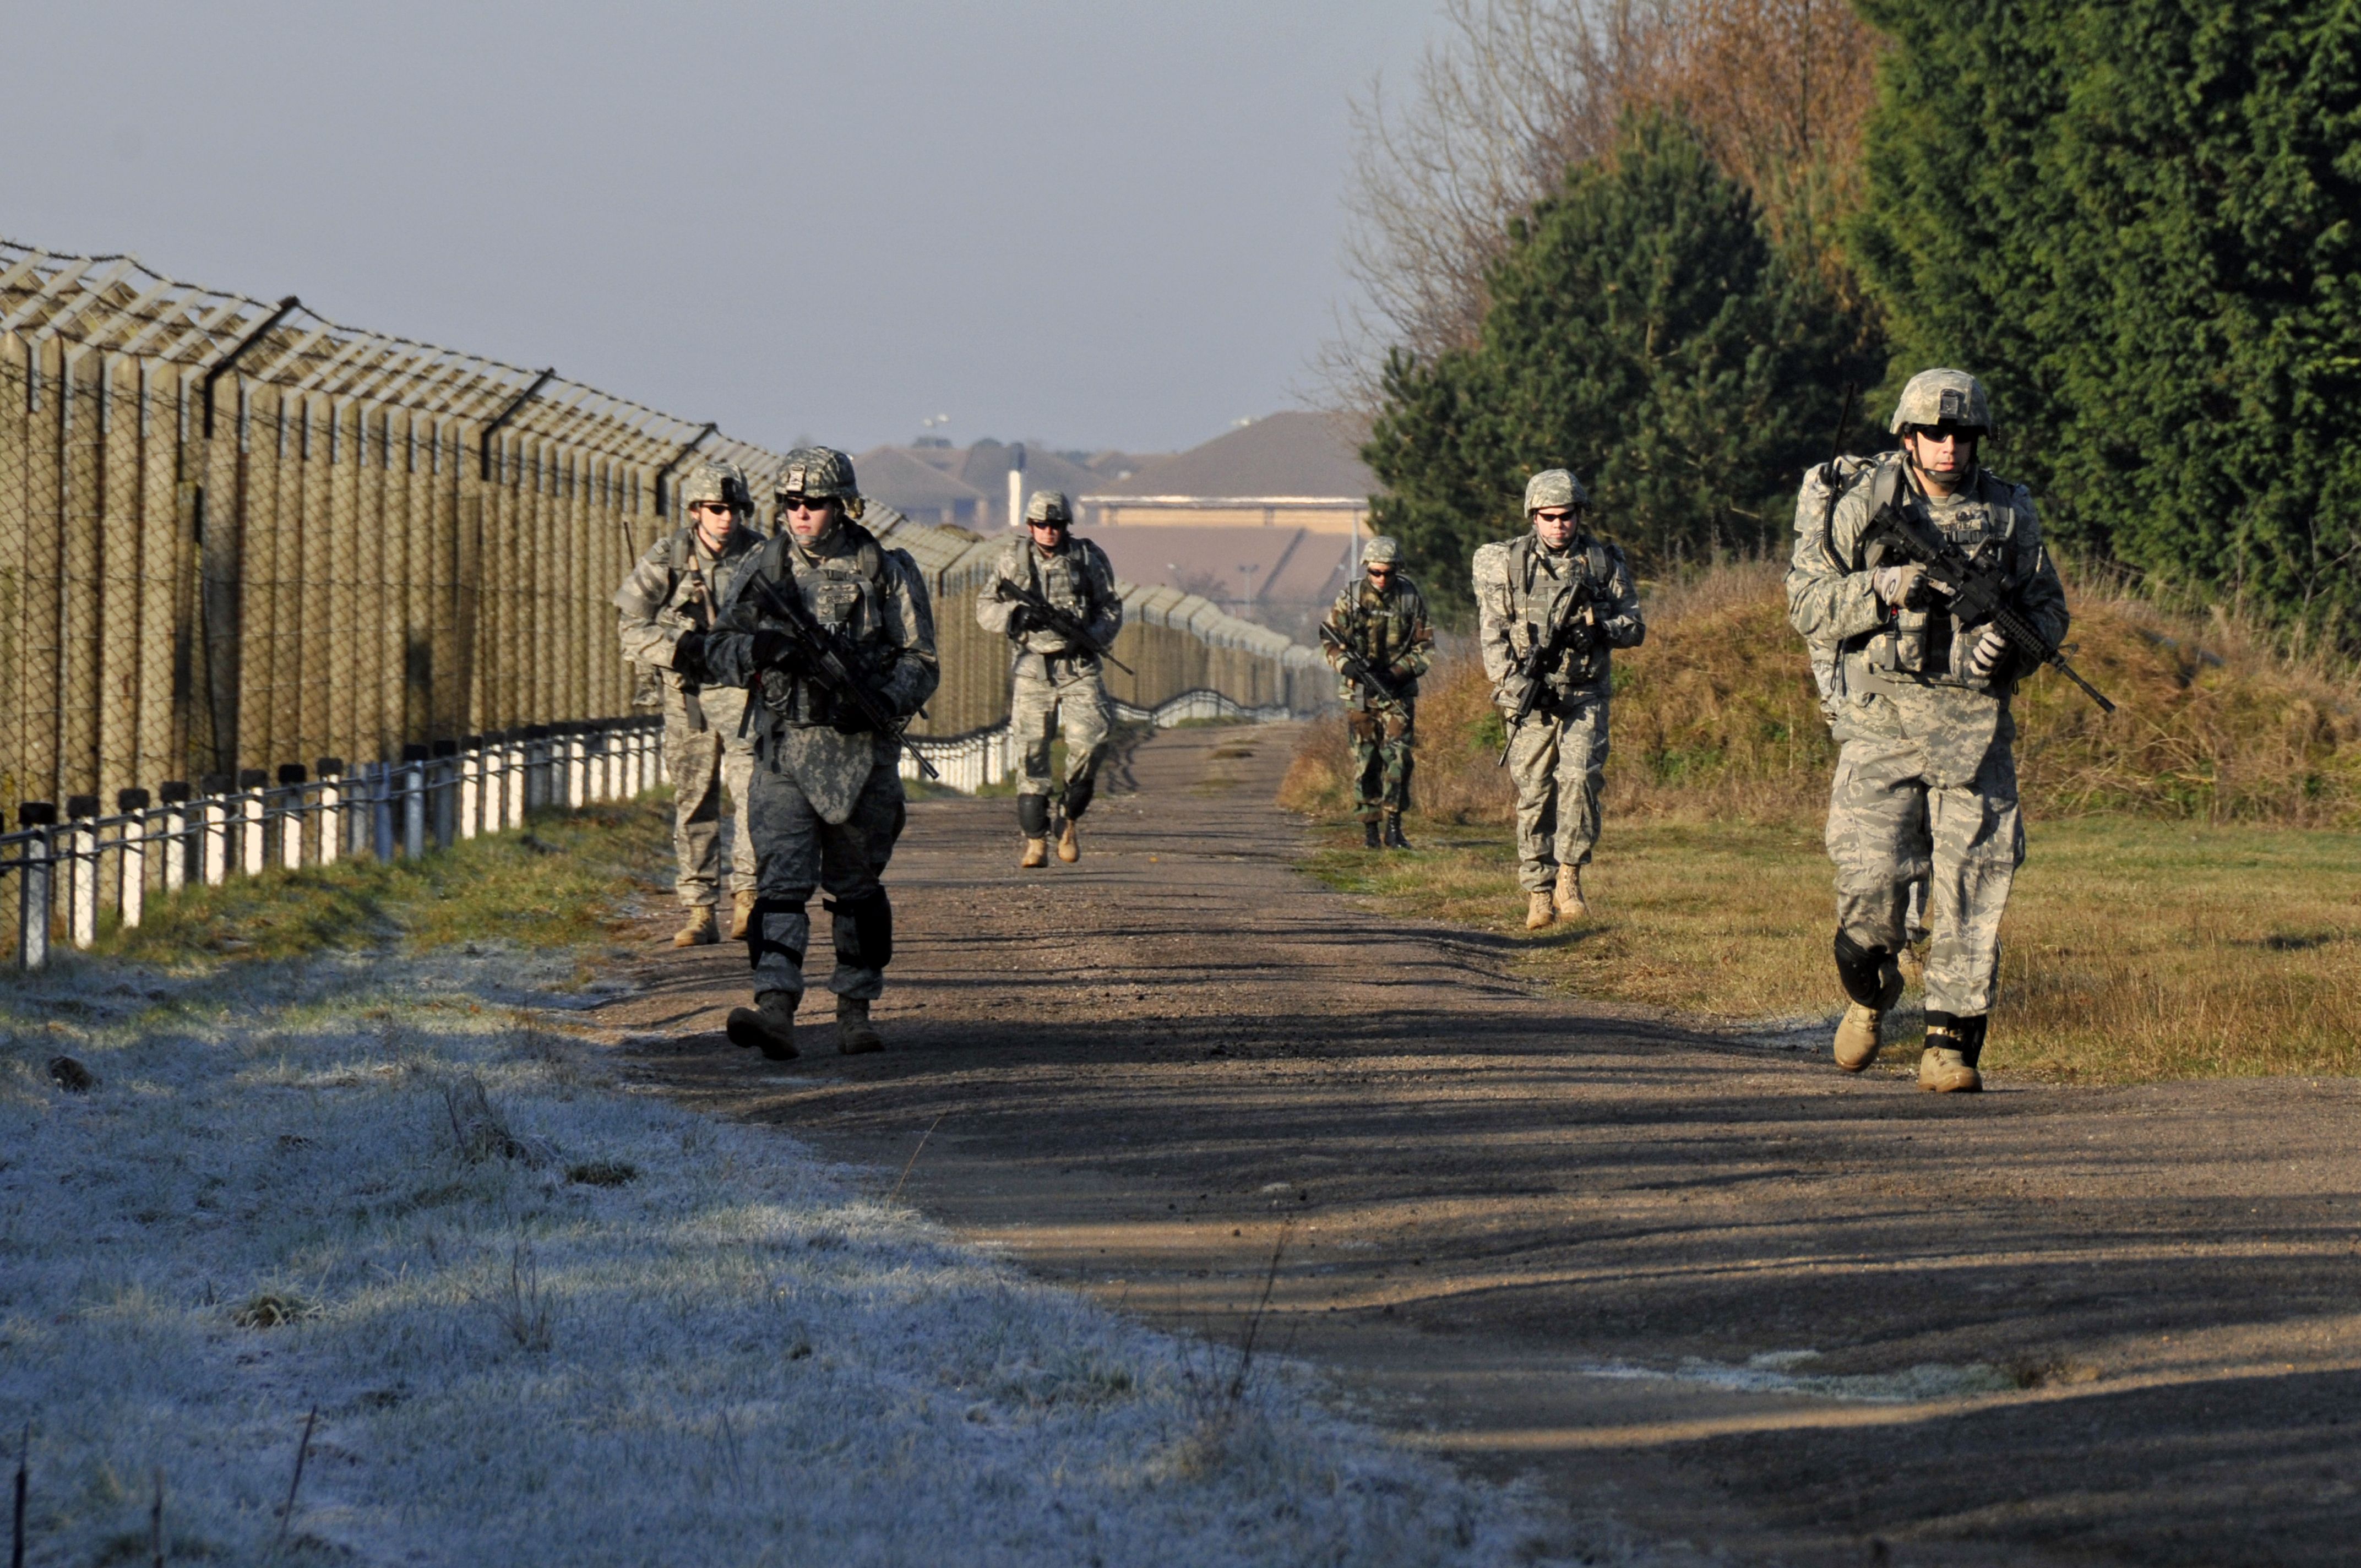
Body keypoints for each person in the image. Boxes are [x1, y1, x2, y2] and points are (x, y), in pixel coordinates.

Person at [1785, 368, 2069, 1093]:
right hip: (1882, 721)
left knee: (1977, 882)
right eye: (1935, 434)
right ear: (1908, 436)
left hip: (1974, 726)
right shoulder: (1860, 506)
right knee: (1874, 884)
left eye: (1963, 435)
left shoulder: (2010, 513)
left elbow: (2049, 610)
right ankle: (1869, 991)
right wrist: (1882, 590)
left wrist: (2018, 641)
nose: (1949, 447)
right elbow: (1808, 606)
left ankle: (1950, 1047)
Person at [671, 448, 939, 1060]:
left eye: (812, 503)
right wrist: (763, 650)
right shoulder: (765, 569)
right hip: (784, 748)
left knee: (856, 890)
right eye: (790, 503)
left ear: (841, 504)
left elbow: (922, 662)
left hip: (859, 756)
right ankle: (775, 1009)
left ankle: (854, 1010)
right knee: (781, 887)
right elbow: (717, 651)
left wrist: (877, 698)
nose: (800, 514)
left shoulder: (886, 571)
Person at [1474, 469, 1645, 931]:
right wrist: (1515, 688)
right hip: (1530, 696)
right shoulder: (1505, 564)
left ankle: (1570, 876)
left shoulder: (1603, 562)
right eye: (1548, 517)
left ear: (1578, 515)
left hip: (1586, 693)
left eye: (1566, 516)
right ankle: (1538, 890)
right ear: (1533, 516)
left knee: (1580, 779)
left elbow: (1635, 627)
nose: (1557, 526)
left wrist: (1599, 630)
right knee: (1535, 793)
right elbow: (1493, 636)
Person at [612, 459, 764, 947]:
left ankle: (750, 899)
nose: (726, 519)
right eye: (716, 509)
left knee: (753, 798)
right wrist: (679, 647)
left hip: (745, 695)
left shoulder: (763, 556)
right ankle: (700, 910)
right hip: (689, 697)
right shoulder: (671, 555)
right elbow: (631, 626)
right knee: (695, 801)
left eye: (735, 509)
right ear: (697, 510)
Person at [975, 490, 1123, 867]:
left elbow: (1110, 606)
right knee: (1031, 751)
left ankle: (1069, 819)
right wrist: (1015, 617)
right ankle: (1035, 840)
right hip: (1032, 666)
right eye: (1041, 525)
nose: (1049, 532)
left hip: (1078, 666)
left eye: (1055, 525)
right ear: (1030, 527)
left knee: (1092, 739)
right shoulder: (1014, 560)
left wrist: (1091, 636)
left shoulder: (1087, 558)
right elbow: (984, 608)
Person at [1320, 535, 1433, 848]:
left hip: (1397, 691)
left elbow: (1425, 647)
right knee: (1366, 759)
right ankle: (1370, 829)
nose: (1381, 579)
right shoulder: (1351, 598)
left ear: (1397, 570)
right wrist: (1349, 667)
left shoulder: (1410, 598)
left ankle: (1395, 828)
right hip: (1359, 692)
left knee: (1398, 757)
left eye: (1388, 573)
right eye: (1376, 573)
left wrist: (1398, 672)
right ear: (1367, 569)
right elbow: (1330, 640)